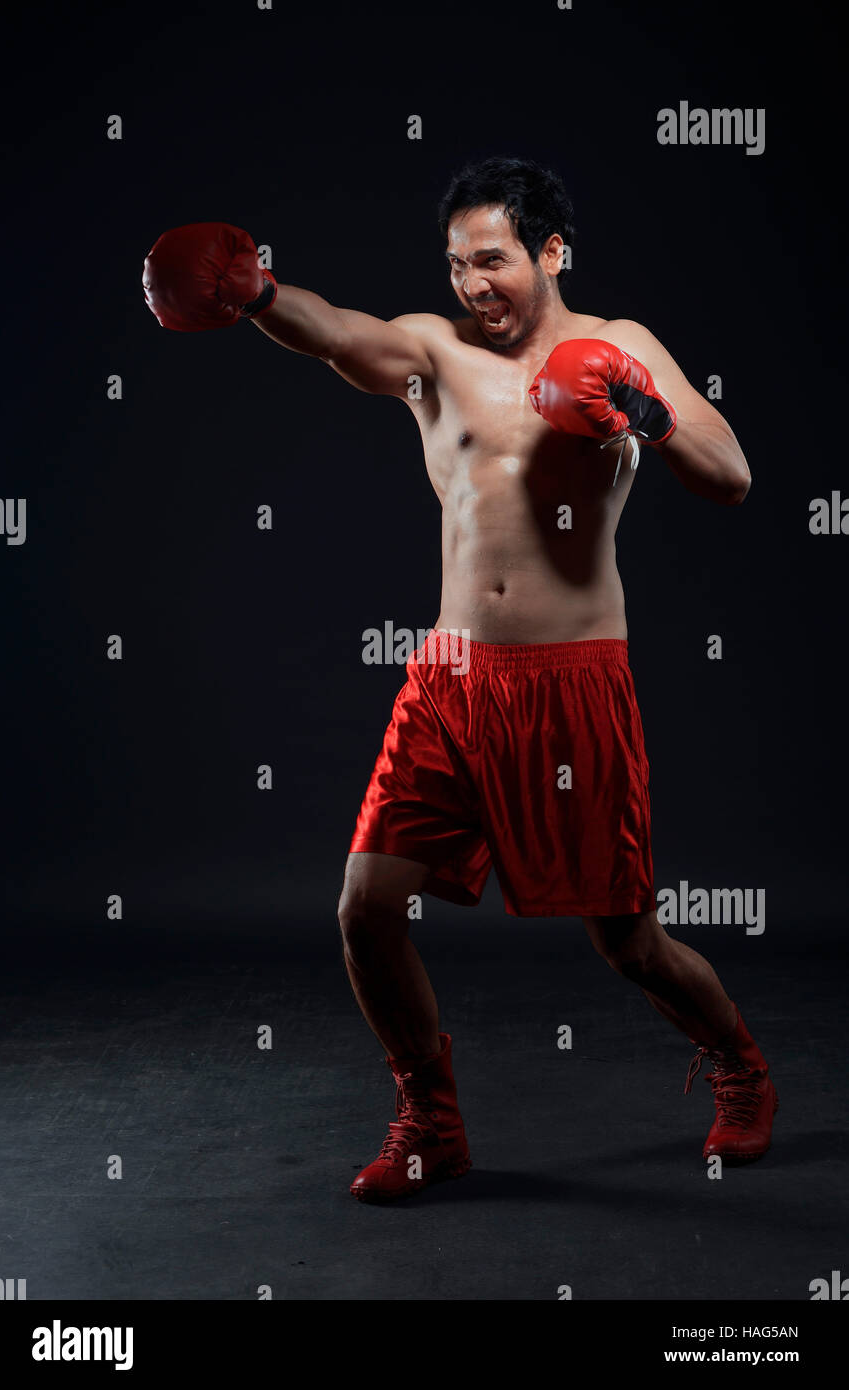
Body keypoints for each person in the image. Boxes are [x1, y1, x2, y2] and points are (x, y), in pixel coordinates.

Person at [142, 156, 777, 1205]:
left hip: (574, 683)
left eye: (493, 260)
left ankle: (744, 1069)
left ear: (552, 251)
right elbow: (338, 330)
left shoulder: (623, 349)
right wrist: (258, 296)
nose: (474, 285)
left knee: (629, 942)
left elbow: (734, 475)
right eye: (457, 264)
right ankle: (432, 1121)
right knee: (364, 906)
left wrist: (646, 415)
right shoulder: (433, 354)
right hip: (447, 676)